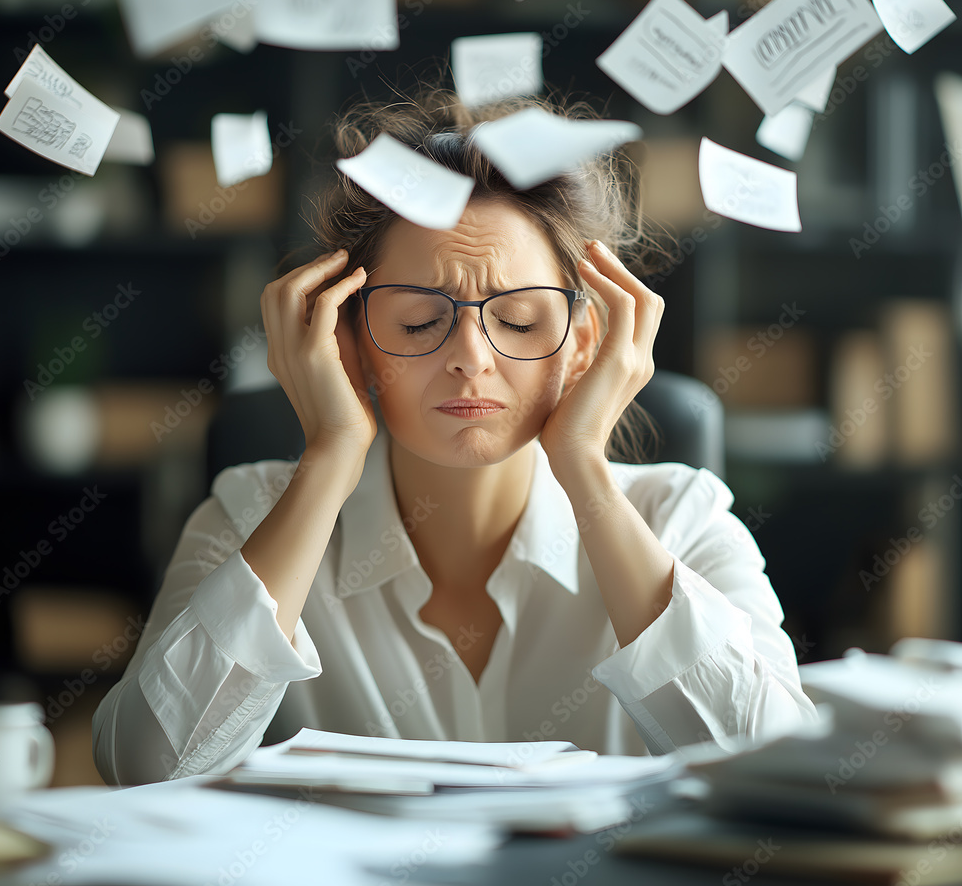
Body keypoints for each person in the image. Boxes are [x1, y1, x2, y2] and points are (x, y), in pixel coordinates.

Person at [92, 83, 817, 786]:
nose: (471, 356)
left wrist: (583, 469)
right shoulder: (249, 514)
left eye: (520, 322)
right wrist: (329, 459)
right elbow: (147, 769)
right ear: (350, 341)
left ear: (582, 343)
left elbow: (779, 774)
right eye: (416, 322)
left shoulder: (682, 518)